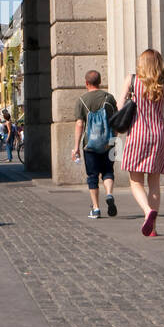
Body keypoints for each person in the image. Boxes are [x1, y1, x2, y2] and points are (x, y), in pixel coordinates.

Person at [118, 50, 164, 238]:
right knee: (154, 183)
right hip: (158, 135)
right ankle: (152, 228)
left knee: (135, 181)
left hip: (137, 134)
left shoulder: (132, 80)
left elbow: (120, 107)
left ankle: (147, 211)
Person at [72, 70, 117, 219]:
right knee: (108, 171)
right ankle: (109, 194)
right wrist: (114, 139)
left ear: (86, 83)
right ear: (100, 81)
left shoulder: (82, 100)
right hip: (109, 142)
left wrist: (76, 147)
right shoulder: (109, 98)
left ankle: (96, 209)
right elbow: (115, 121)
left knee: (92, 175)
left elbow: (79, 124)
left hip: (89, 144)